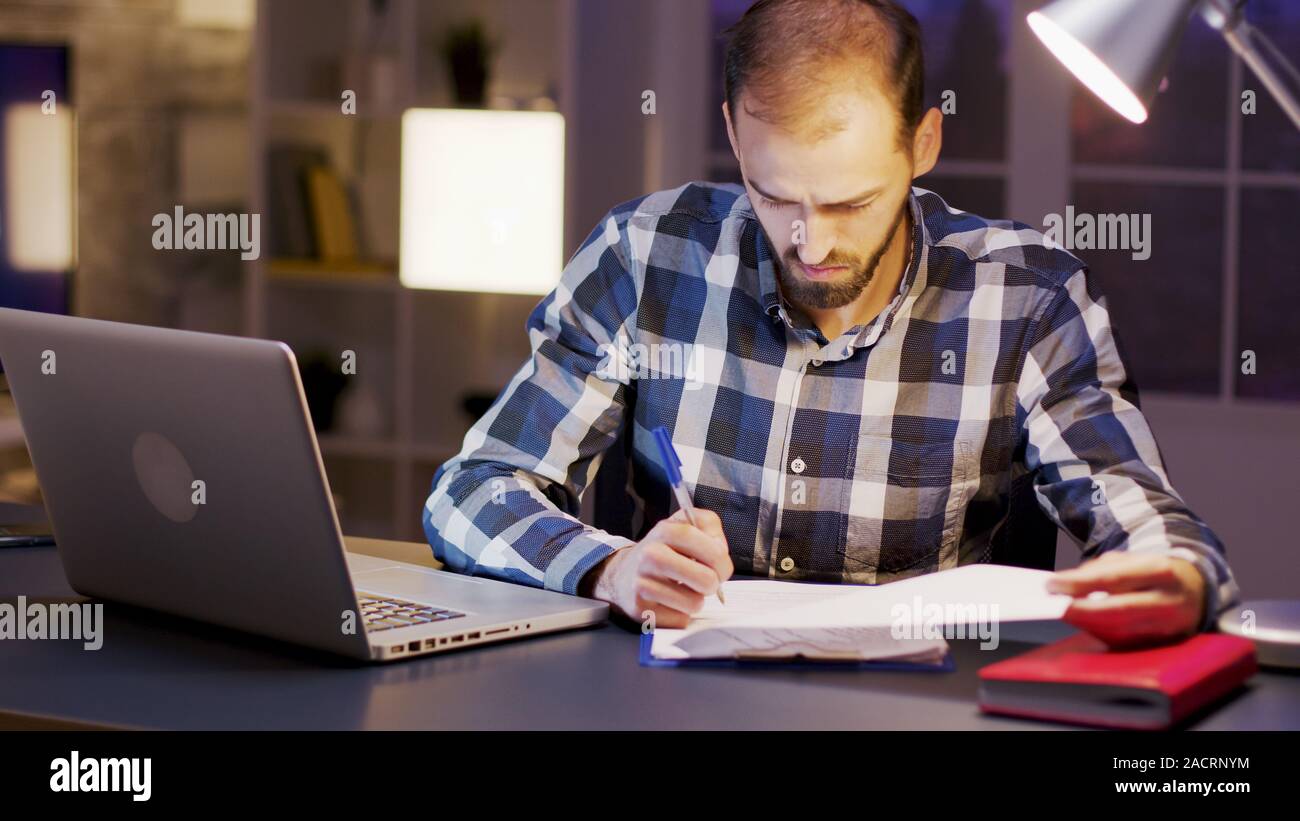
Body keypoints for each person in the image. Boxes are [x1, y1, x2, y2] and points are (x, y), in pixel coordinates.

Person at [424, 0, 1238, 648]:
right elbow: (474, 489)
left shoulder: (1027, 297)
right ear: (735, 134)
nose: (811, 242)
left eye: (850, 201)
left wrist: (1178, 575)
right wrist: (613, 566)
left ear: (923, 143)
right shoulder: (644, 256)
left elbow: (1138, 513)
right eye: (775, 196)